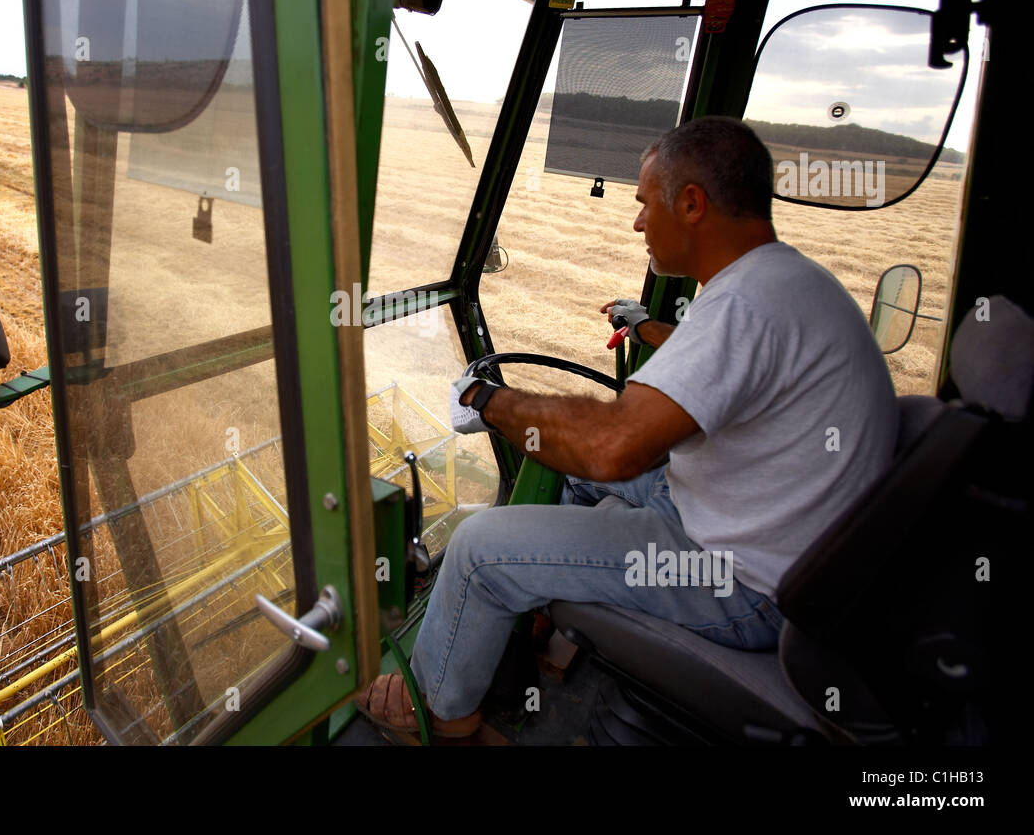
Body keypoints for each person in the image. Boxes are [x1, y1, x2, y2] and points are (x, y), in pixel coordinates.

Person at [356, 116, 899, 741]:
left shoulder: (744, 303)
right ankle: (532, 626)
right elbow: (713, 371)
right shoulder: (784, 281)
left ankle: (442, 726)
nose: (638, 222)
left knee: (479, 551)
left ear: (691, 203)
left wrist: (487, 399)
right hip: (767, 536)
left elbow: (610, 446)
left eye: (644, 204)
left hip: (743, 582)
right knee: (566, 470)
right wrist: (643, 333)